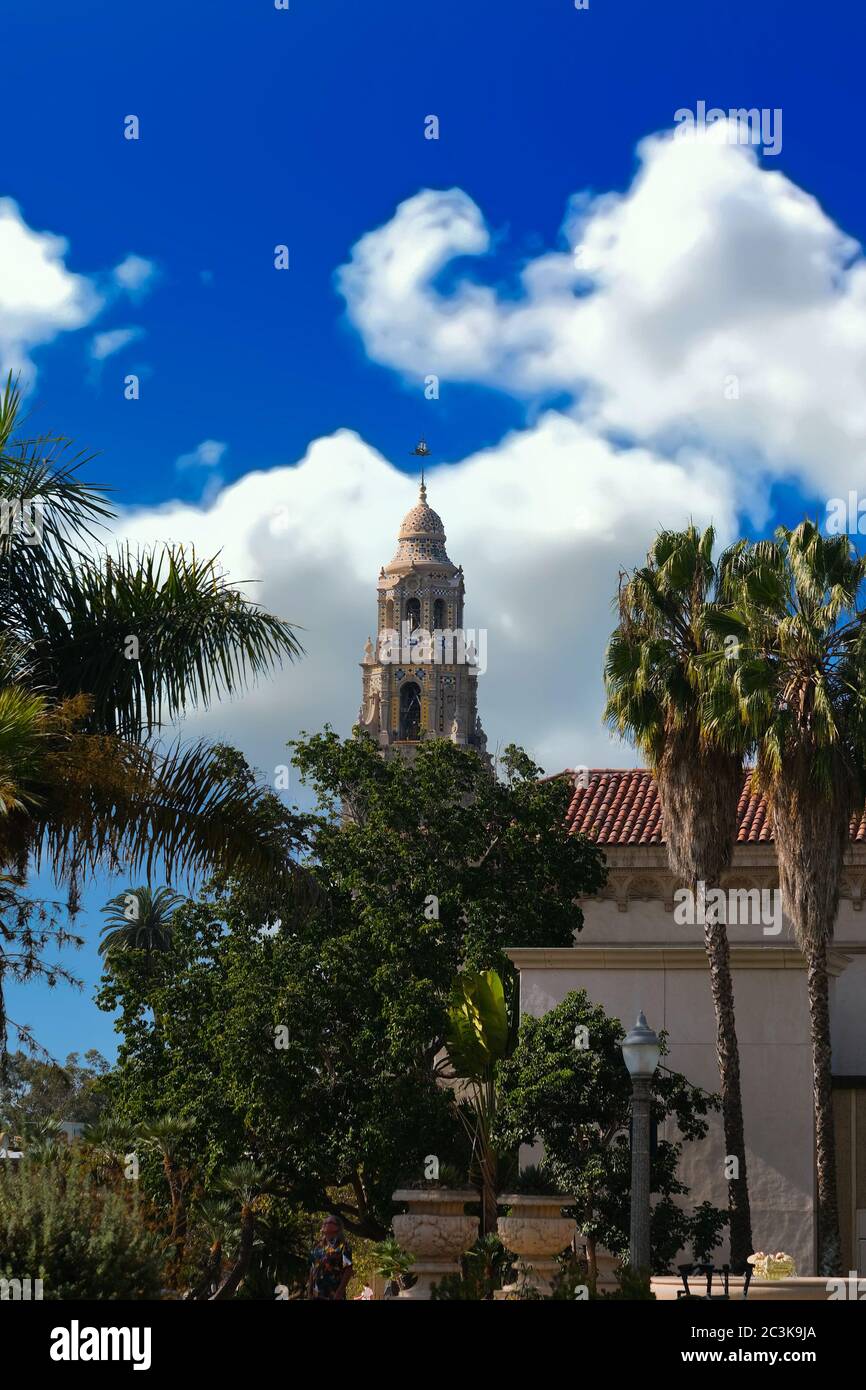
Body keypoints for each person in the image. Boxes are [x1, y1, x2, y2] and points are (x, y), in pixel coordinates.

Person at [307, 1215, 353, 1300]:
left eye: (329, 1222)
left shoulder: (343, 1246)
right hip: (316, 1294)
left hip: (334, 1294)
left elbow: (348, 1270)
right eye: (325, 1222)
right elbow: (312, 1268)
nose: (326, 1223)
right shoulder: (317, 1246)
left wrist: (339, 1293)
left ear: (337, 1227)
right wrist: (309, 1291)